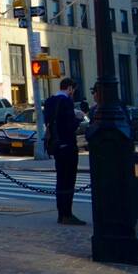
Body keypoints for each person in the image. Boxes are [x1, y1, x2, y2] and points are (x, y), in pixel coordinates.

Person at [43, 77, 85, 226]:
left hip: (55, 145)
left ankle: (61, 213)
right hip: (67, 145)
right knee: (69, 180)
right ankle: (67, 213)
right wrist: (78, 119)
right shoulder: (66, 102)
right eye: (72, 90)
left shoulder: (50, 101)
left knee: (60, 180)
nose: (72, 93)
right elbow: (69, 126)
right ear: (69, 88)